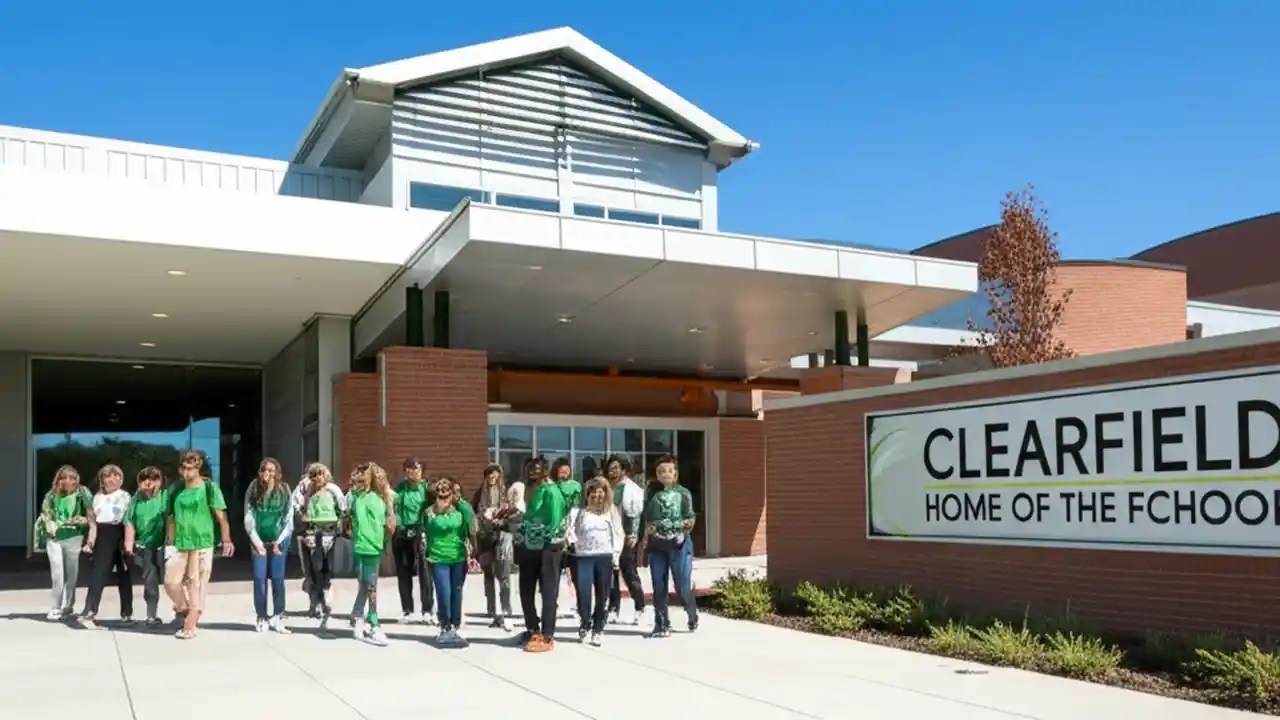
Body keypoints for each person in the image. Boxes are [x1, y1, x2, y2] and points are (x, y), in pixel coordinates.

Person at [164, 450, 234, 640]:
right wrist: (169, 541)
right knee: (171, 582)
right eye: (183, 467)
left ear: (198, 468)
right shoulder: (176, 489)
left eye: (190, 468)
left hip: (202, 541)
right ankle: (185, 609)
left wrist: (226, 539)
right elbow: (170, 517)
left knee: (196, 583)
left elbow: (221, 516)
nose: (186, 471)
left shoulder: (209, 488)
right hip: (181, 542)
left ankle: (190, 625)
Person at [637, 454, 698, 638]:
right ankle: (662, 623)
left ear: (675, 473)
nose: (665, 474)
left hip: (679, 545)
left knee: (682, 585)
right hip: (657, 545)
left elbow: (690, 518)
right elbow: (646, 519)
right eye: (661, 471)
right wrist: (645, 537)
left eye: (669, 471)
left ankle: (692, 613)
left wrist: (678, 526)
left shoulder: (683, 493)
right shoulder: (651, 493)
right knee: (659, 585)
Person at [512, 457, 568, 653]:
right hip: (528, 547)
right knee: (526, 590)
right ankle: (532, 628)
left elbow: (555, 522)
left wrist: (536, 533)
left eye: (536, 469)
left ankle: (547, 634)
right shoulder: (529, 491)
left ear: (545, 471)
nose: (532, 472)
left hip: (548, 548)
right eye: (529, 469)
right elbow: (528, 517)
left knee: (548, 591)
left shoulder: (552, 491)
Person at [569, 477, 625, 646]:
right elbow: (570, 531)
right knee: (584, 594)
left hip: (604, 557)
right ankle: (585, 622)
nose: (597, 499)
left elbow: (619, 533)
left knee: (603, 595)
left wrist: (616, 555)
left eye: (600, 495)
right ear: (587, 496)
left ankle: (598, 628)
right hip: (583, 557)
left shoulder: (611, 512)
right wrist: (573, 543)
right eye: (593, 495)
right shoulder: (578, 513)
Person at [78, 464, 134, 629]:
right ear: (102, 480)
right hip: (103, 533)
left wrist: (128, 543)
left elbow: (129, 519)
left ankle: (126, 613)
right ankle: (89, 612)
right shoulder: (96, 498)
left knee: (124, 574)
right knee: (98, 573)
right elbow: (92, 523)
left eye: (116, 476)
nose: (112, 479)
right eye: (107, 476)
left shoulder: (126, 496)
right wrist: (90, 542)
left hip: (120, 532)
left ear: (121, 479)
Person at [347, 461, 395, 646]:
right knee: (367, 585)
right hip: (362, 547)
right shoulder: (357, 498)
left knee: (369, 586)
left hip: (373, 547)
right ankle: (366, 620)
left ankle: (366, 620)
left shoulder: (382, 497)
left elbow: (387, 521)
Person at [245, 457, 293, 634]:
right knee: (259, 578)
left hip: (278, 540)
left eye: (271, 470)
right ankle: (262, 616)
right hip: (259, 540)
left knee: (278, 579)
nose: (267, 473)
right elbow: (248, 516)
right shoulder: (254, 488)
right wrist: (257, 542)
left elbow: (289, 517)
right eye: (264, 470)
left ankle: (278, 616)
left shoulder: (284, 489)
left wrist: (279, 541)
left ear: (277, 473)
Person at [38, 465, 91, 621]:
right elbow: (46, 513)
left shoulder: (82, 493)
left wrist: (82, 520)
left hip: (74, 536)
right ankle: (55, 607)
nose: (67, 481)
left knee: (72, 573)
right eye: (63, 477)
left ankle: (68, 604)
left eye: (71, 478)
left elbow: (92, 514)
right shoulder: (51, 495)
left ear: (76, 479)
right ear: (58, 479)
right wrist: (49, 523)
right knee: (57, 573)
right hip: (54, 538)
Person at [425, 476, 474, 644]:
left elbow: (468, 517)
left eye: (447, 495)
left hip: (458, 557)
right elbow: (440, 525)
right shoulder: (430, 512)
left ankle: (455, 624)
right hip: (438, 557)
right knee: (443, 592)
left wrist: (459, 501)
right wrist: (440, 510)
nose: (444, 499)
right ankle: (445, 625)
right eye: (440, 495)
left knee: (456, 592)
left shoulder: (459, 511)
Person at [296, 462, 345, 629]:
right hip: (312, 534)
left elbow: (342, 508)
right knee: (313, 569)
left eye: (320, 474)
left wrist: (340, 524)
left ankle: (325, 598)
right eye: (313, 475)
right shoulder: (306, 490)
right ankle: (315, 603)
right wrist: (302, 517)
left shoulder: (333, 490)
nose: (317, 478)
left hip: (330, 534)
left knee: (327, 569)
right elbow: (298, 506)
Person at [391, 457, 435, 625]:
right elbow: (394, 507)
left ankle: (427, 610)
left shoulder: (427, 489)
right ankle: (407, 609)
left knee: (425, 571)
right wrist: (397, 526)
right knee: (403, 571)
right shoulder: (401, 488)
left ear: (422, 470)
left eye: (416, 468)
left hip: (421, 531)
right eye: (409, 469)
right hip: (402, 532)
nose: (413, 472)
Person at [123, 466, 168, 627]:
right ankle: (151, 615)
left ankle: (181, 613)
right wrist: (129, 545)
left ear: (160, 481)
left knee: (173, 581)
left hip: (166, 546)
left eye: (154, 479)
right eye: (144, 479)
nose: (149, 483)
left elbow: (171, 520)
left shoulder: (166, 496)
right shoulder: (136, 499)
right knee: (150, 581)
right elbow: (129, 521)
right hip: (145, 546)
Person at [473, 464, 514, 631]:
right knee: (488, 573)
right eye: (489, 474)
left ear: (499, 476)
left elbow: (514, 513)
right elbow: (474, 514)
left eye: (495, 474)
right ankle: (491, 608)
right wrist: (483, 520)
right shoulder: (480, 493)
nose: (492, 477)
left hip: (503, 535)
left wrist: (502, 519)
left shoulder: (507, 493)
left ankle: (505, 606)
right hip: (486, 537)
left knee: (504, 573)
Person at [607, 455, 647, 625]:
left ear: (623, 470)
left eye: (616, 468)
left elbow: (636, 513)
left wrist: (634, 534)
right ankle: (613, 608)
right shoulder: (607, 487)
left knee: (628, 572)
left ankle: (640, 607)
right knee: (611, 574)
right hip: (609, 536)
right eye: (610, 469)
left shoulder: (632, 489)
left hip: (626, 536)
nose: (613, 472)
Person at [550, 458, 583, 620]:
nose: (564, 473)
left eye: (567, 470)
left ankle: (581, 606)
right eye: (561, 470)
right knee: (554, 575)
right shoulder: (551, 487)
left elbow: (578, 508)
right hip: (555, 536)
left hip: (572, 536)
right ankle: (554, 606)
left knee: (577, 574)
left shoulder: (575, 486)